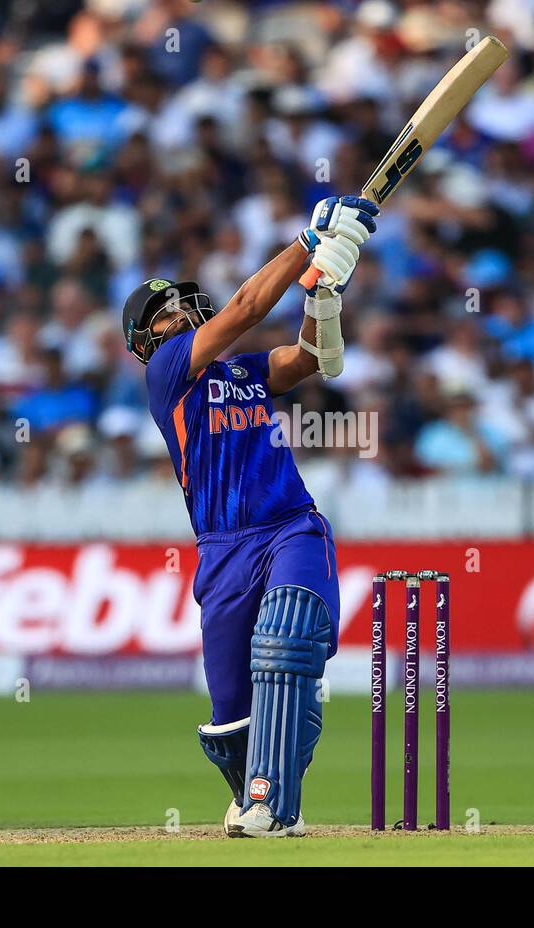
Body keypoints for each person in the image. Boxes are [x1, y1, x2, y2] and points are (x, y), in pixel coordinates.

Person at [122, 195, 378, 837]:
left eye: (180, 302)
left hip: (289, 524)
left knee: (287, 640)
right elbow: (245, 308)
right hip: (223, 548)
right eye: (162, 314)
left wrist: (322, 293)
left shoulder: (243, 371)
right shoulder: (166, 375)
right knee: (232, 720)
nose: (179, 312)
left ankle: (275, 803)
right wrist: (306, 241)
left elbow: (313, 360)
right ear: (144, 341)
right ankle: (257, 784)